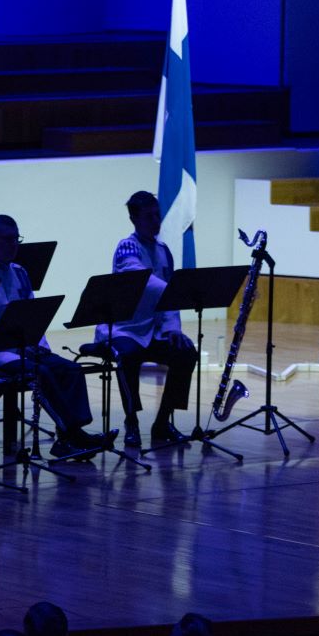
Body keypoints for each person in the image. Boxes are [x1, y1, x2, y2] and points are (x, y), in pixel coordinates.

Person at [0, 214, 95, 451]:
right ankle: (71, 435)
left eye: (16, 238)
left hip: (22, 347)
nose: (14, 244)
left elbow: (34, 316)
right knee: (40, 373)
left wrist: (41, 345)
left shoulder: (20, 272)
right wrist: (15, 346)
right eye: (7, 239)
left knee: (70, 369)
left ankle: (71, 433)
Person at [94, 191, 197, 448]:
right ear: (134, 219)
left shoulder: (163, 251)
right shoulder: (127, 247)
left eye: (157, 216)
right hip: (123, 329)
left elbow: (168, 300)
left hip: (153, 331)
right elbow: (144, 281)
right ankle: (132, 421)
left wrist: (173, 328)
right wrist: (180, 292)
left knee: (186, 353)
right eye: (149, 217)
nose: (155, 221)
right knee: (128, 356)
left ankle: (162, 422)